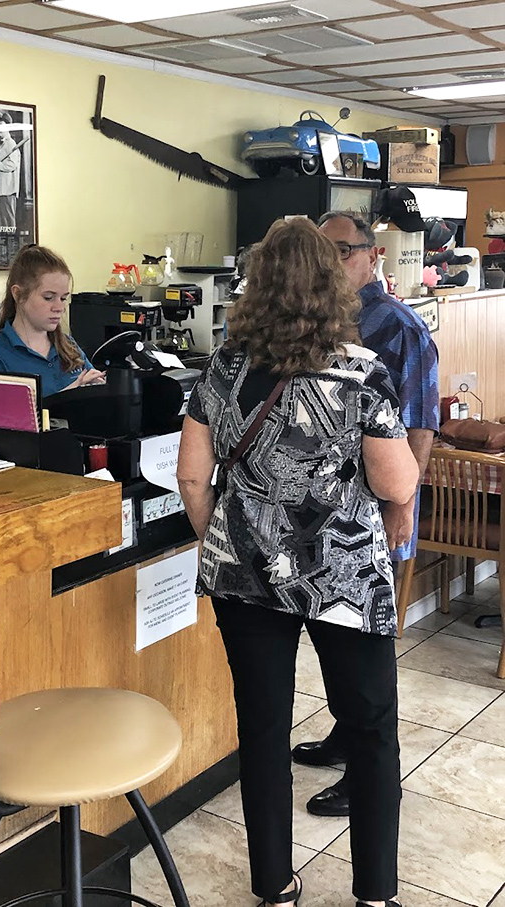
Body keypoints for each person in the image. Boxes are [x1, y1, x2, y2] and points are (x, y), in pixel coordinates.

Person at [177, 218, 418, 907]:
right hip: (344, 573)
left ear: (256, 286)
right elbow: (397, 481)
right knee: (370, 729)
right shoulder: (361, 373)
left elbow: (192, 477)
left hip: (244, 574)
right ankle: (375, 891)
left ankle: (274, 885)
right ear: (332, 285)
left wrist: (227, 537)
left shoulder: (222, 368)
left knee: (262, 730)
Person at [291, 211, 440, 818]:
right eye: (322, 253)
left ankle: (368, 772)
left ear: (373, 255)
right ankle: (344, 736)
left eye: (343, 252)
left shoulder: (398, 326)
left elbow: (421, 424)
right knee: (335, 642)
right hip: (328, 515)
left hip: (378, 508)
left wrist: (402, 507)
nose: (331, 264)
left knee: (367, 656)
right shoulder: (323, 319)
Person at [0, 245, 105, 396]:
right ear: (18, 294)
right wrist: (70, 393)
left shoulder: (69, 347)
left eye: (63, 298)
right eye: (48, 298)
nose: (59, 308)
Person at [0, 111, 22, 229]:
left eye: (3, 127)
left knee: (9, 220)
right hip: (3, 189)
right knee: (4, 220)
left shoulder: (11, 144)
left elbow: (12, 164)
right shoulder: (2, 144)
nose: (0, 130)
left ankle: (11, 239)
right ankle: (6, 239)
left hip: (9, 188)